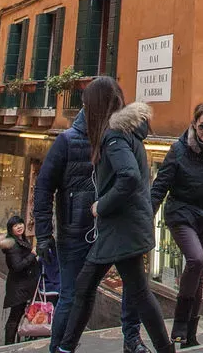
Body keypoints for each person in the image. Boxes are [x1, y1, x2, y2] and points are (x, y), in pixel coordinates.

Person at [53, 78, 173, 353]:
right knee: (136, 293)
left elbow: (128, 177)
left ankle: (64, 348)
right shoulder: (128, 132)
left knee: (86, 287)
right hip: (128, 226)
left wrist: (101, 206)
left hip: (119, 228)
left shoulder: (114, 135)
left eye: (86, 104)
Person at [33, 91, 146, 353]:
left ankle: (131, 339)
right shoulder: (67, 141)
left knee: (133, 286)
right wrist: (43, 233)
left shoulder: (121, 137)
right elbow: (44, 187)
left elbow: (133, 180)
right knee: (72, 296)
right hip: (75, 232)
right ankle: (59, 348)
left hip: (111, 228)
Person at [149, 102, 203, 347]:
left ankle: (190, 335)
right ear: (194, 124)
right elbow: (160, 185)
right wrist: (148, 214)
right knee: (196, 260)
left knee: (199, 277)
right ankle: (179, 322)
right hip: (181, 214)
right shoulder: (178, 149)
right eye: (202, 126)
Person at [0, 215, 42, 345]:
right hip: (18, 286)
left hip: (22, 284)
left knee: (18, 314)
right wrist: (32, 255)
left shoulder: (20, 240)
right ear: (11, 229)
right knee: (15, 316)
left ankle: (12, 343)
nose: (19, 227)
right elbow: (17, 266)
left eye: (20, 224)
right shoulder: (12, 245)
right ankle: (9, 345)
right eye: (16, 226)